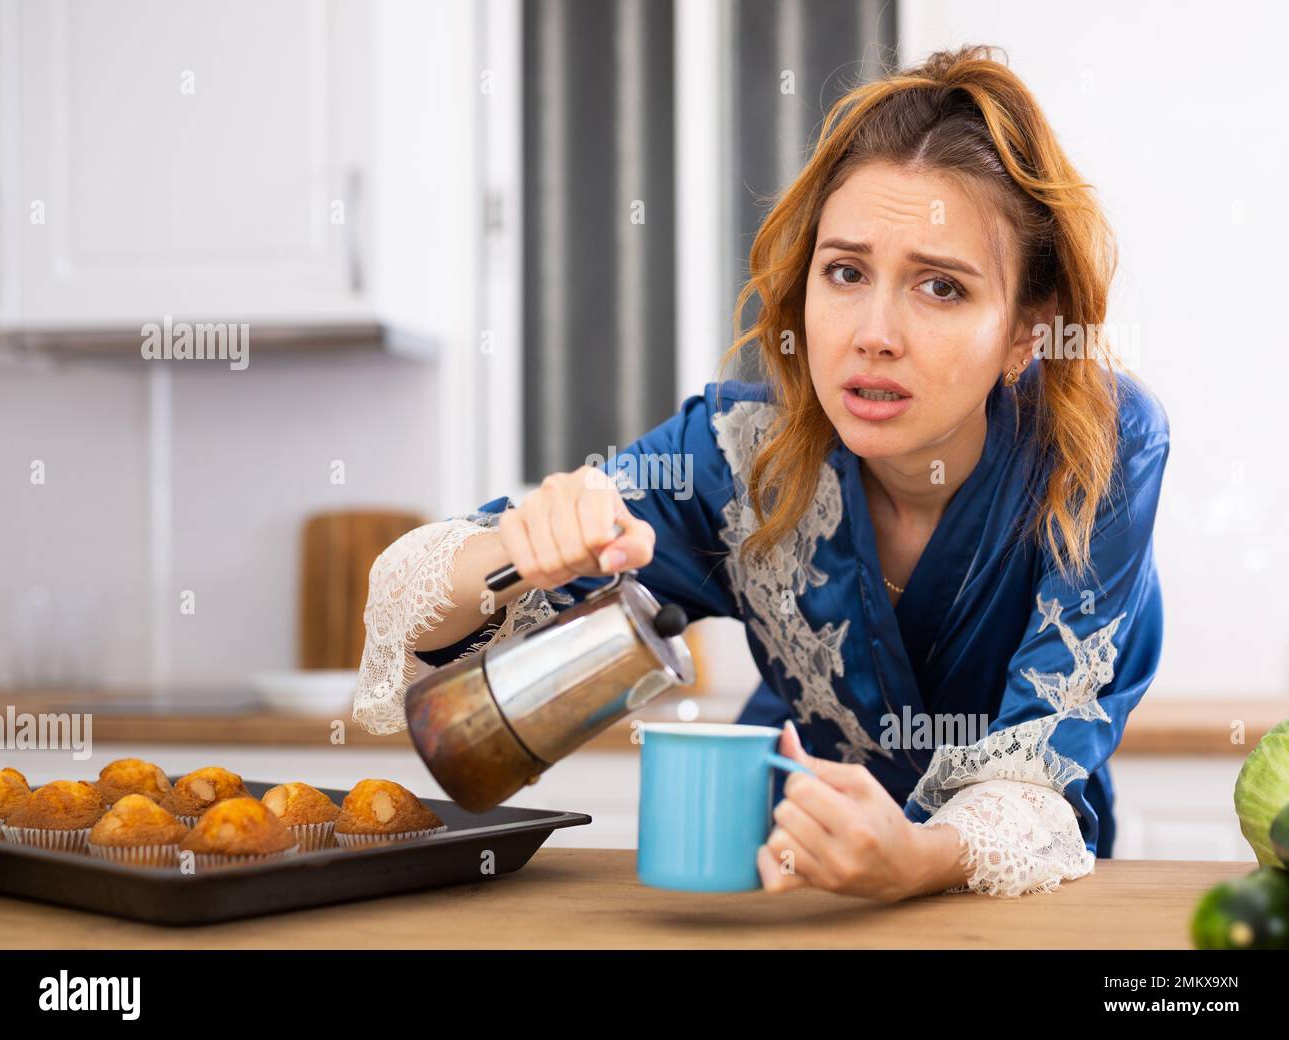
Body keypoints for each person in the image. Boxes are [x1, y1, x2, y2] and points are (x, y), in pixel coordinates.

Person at [352, 44, 1170, 900]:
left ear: (1025, 333)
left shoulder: (1100, 452)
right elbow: (424, 643)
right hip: (789, 875)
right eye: (846, 272)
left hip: (1000, 890)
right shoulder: (736, 453)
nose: (874, 332)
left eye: (941, 288)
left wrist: (915, 857)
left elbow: (1037, 768)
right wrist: (515, 548)